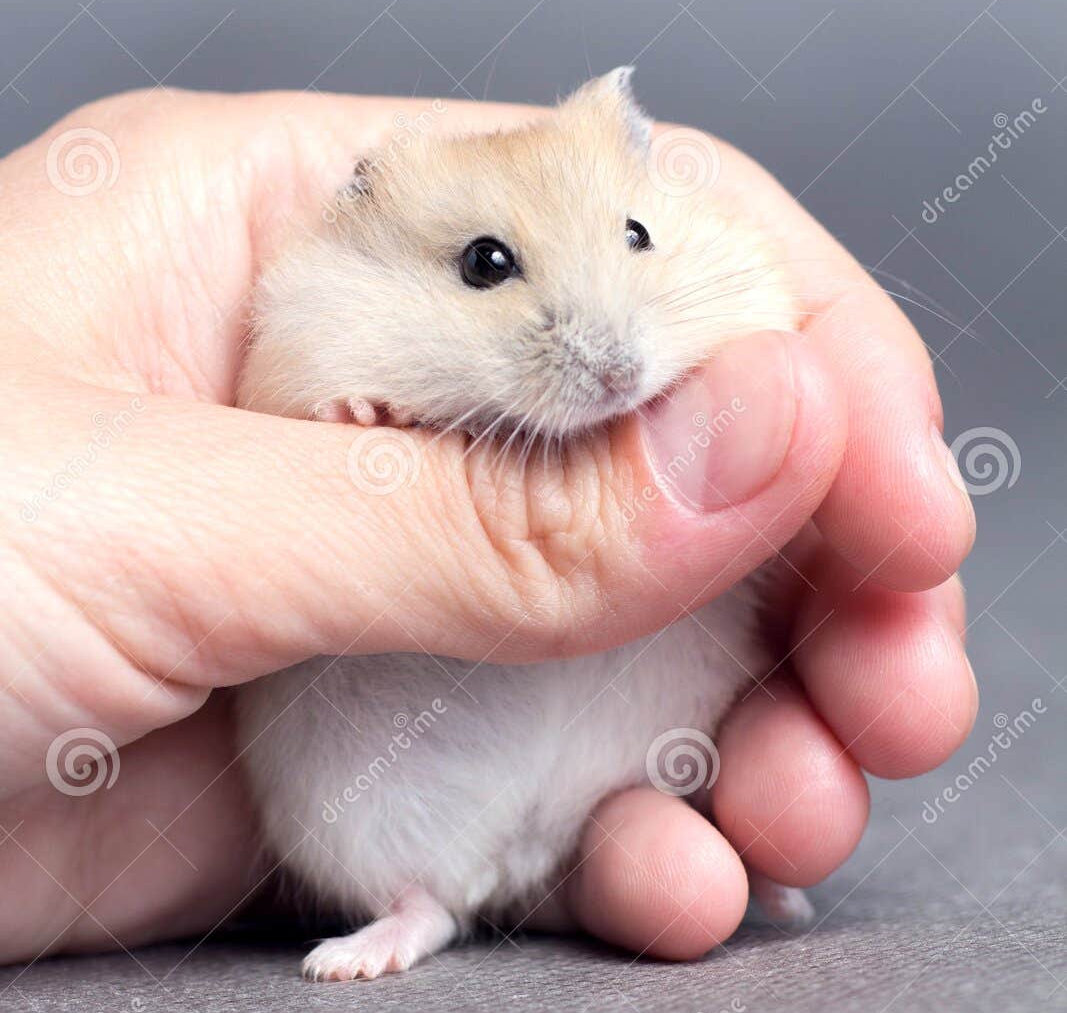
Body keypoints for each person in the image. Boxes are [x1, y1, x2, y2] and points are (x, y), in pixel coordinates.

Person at [0, 87, 975, 966]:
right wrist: (349, 413)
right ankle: (412, 899)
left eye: (629, 238)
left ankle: (715, 822)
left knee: (724, 760)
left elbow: (762, 304)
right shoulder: (328, 292)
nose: (605, 350)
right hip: (390, 755)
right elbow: (296, 365)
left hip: (625, 740)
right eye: (489, 264)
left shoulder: (699, 273)